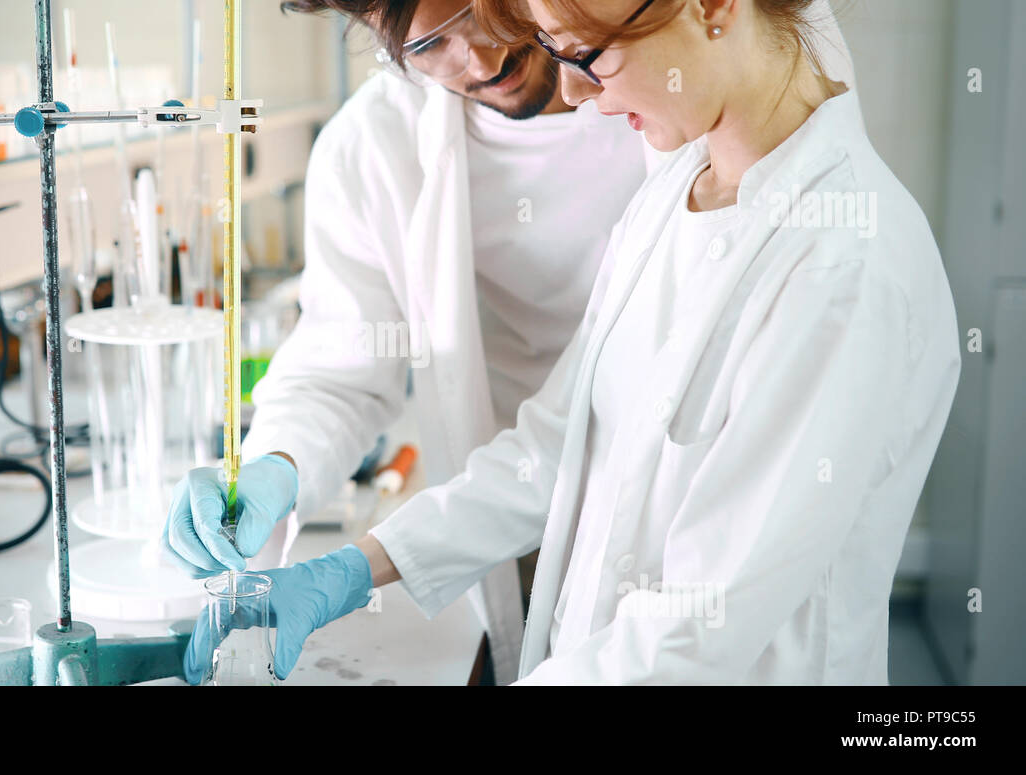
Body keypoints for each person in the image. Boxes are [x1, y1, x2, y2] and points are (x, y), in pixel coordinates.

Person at [168, 0, 856, 684]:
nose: (483, 58)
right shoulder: (375, 145)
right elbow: (559, 427)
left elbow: (708, 616)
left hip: (696, 520)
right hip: (503, 508)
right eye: (430, 46)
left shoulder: (715, 121)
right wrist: (282, 472)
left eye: (484, 11)